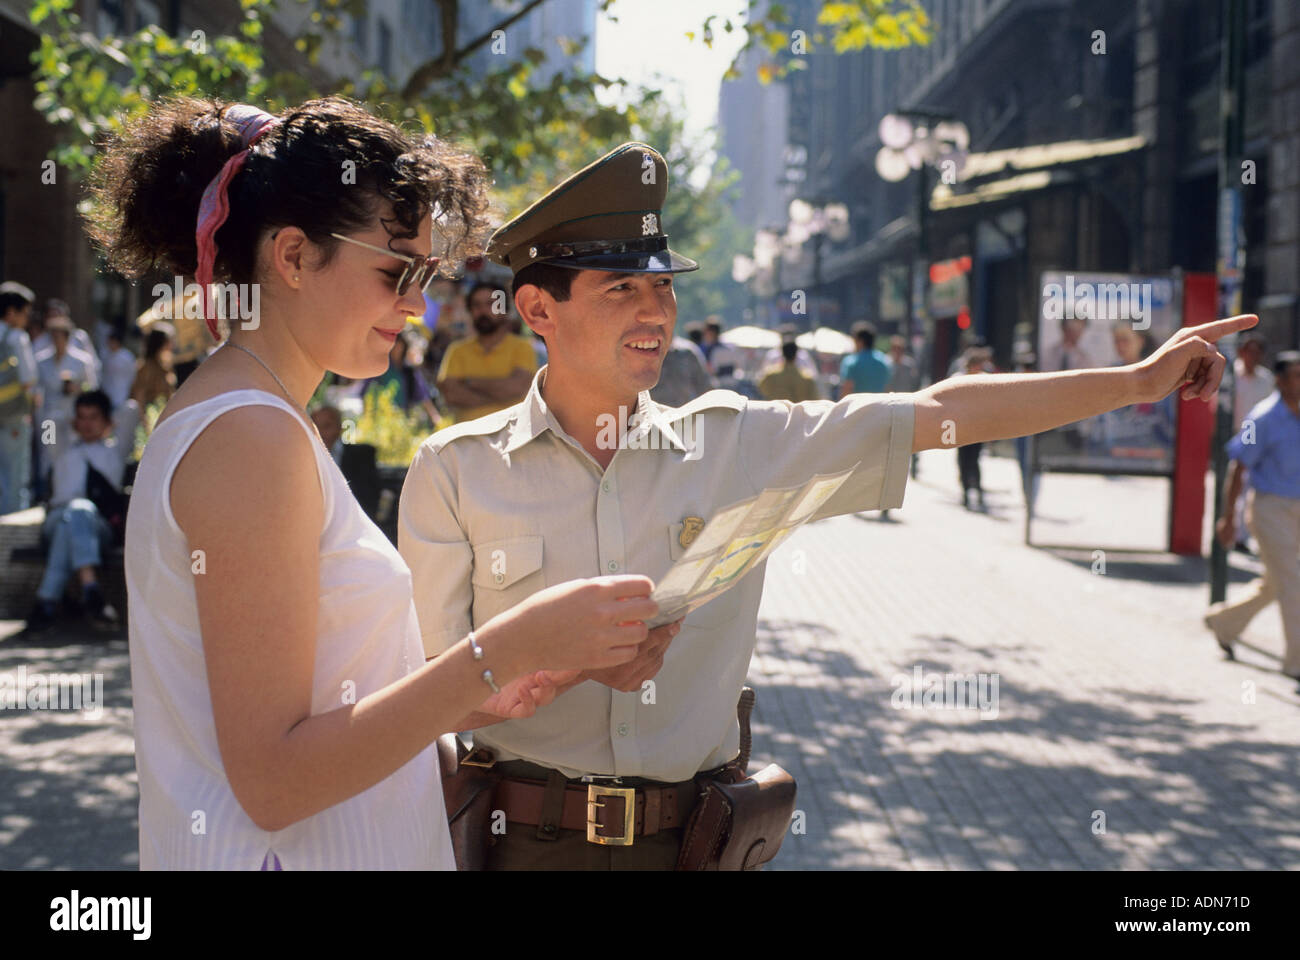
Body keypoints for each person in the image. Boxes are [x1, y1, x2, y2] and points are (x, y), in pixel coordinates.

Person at [397, 139, 1253, 870]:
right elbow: (423, 704)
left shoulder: (739, 444)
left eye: (663, 286)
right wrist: (571, 664)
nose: (655, 308)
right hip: (523, 847)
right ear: (538, 307)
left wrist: (1138, 381)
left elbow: (942, 411)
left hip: (697, 843)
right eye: (621, 288)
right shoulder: (456, 471)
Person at [86, 96, 659, 871]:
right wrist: (501, 650)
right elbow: (275, 781)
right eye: (397, 271)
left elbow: (315, 706)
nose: (417, 306)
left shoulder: (247, 419)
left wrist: (472, 692)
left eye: (423, 273)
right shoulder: (250, 436)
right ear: (291, 257)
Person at [1205, 351, 1300, 680]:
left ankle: (1223, 623)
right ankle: (1296, 665)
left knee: (1277, 584)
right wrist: (1228, 517)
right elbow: (1238, 467)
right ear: (1280, 380)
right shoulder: (1262, 418)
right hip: (1270, 508)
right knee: (1294, 584)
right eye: (1296, 375)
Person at [25, 389, 125, 632]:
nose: (87, 423)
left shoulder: (116, 450)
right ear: (74, 421)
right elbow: (47, 420)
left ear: (107, 421)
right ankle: (90, 588)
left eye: (94, 417)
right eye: (81, 417)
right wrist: (68, 397)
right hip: (57, 517)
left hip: (97, 528)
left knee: (72, 522)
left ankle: (46, 603)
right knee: (72, 516)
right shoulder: (60, 450)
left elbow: (131, 409)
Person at [436, 281, 537, 422]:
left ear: (504, 310)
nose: (483, 311)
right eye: (476, 305)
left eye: (491, 304)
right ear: (470, 311)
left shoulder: (522, 347)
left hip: (512, 436)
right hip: (467, 438)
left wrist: (469, 382)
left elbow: (517, 388)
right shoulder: (457, 350)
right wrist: (502, 400)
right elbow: (451, 394)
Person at [35, 316, 99, 495]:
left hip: (72, 417)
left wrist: (77, 388)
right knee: (48, 453)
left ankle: (69, 491)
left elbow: (92, 388)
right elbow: (37, 391)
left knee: (71, 452)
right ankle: (48, 492)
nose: (56, 341)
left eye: (59, 336)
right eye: (52, 337)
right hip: (49, 417)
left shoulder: (81, 360)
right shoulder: (42, 361)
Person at [0, 281, 38, 514]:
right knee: (15, 473)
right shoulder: (17, 338)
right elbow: (28, 378)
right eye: (25, 313)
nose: (27, 319)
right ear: (11, 313)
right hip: (13, 414)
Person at [954, 346, 993, 510]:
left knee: (974, 459)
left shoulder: (985, 379)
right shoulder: (958, 378)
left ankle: (977, 489)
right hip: (961, 426)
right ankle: (965, 492)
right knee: (963, 460)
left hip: (978, 426)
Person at [652, 333, 713, 407]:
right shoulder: (647, 352)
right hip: (657, 415)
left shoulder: (688, 352)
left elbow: (704, 385)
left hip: (687, 412)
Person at [129, 325, 177, 411]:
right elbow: (140, 395)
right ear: (161, 343)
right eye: (169, 340)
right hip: (152, 413)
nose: (172, 344)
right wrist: (145, 420)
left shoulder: (167, 362)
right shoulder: (145, 367)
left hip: (167, 411)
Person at [839, 322, 892, 395]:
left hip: (857, 405)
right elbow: (888, 388)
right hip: (879, 404)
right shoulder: (885, 361)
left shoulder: (851, 362)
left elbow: (846, 389)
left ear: (860, 341)